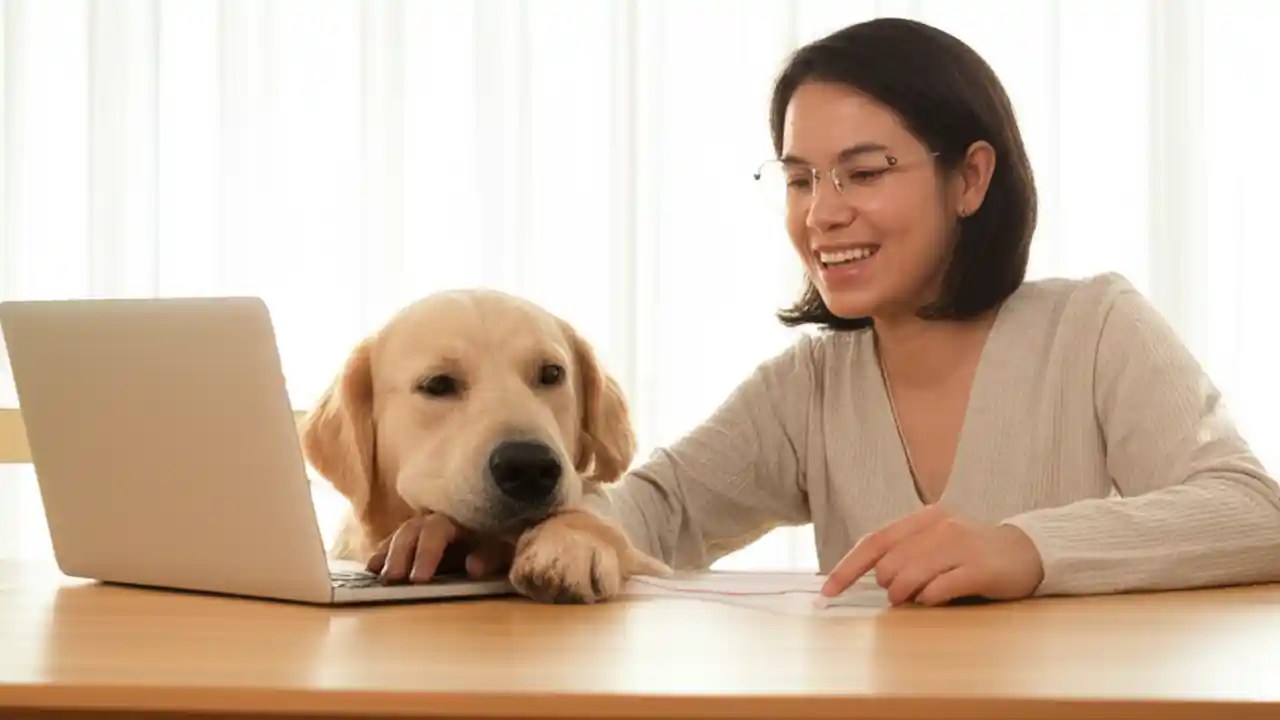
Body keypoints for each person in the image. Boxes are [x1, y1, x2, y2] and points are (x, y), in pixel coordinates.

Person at [371, 17, 1280, 605]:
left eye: (865, 171)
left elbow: (1253, 512)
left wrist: (1024, 550)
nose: (822, 211)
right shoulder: (807, 387)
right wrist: (516, 530)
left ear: (970, 176)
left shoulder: (1096, 328)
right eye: (801, 177)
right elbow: (653, 509)